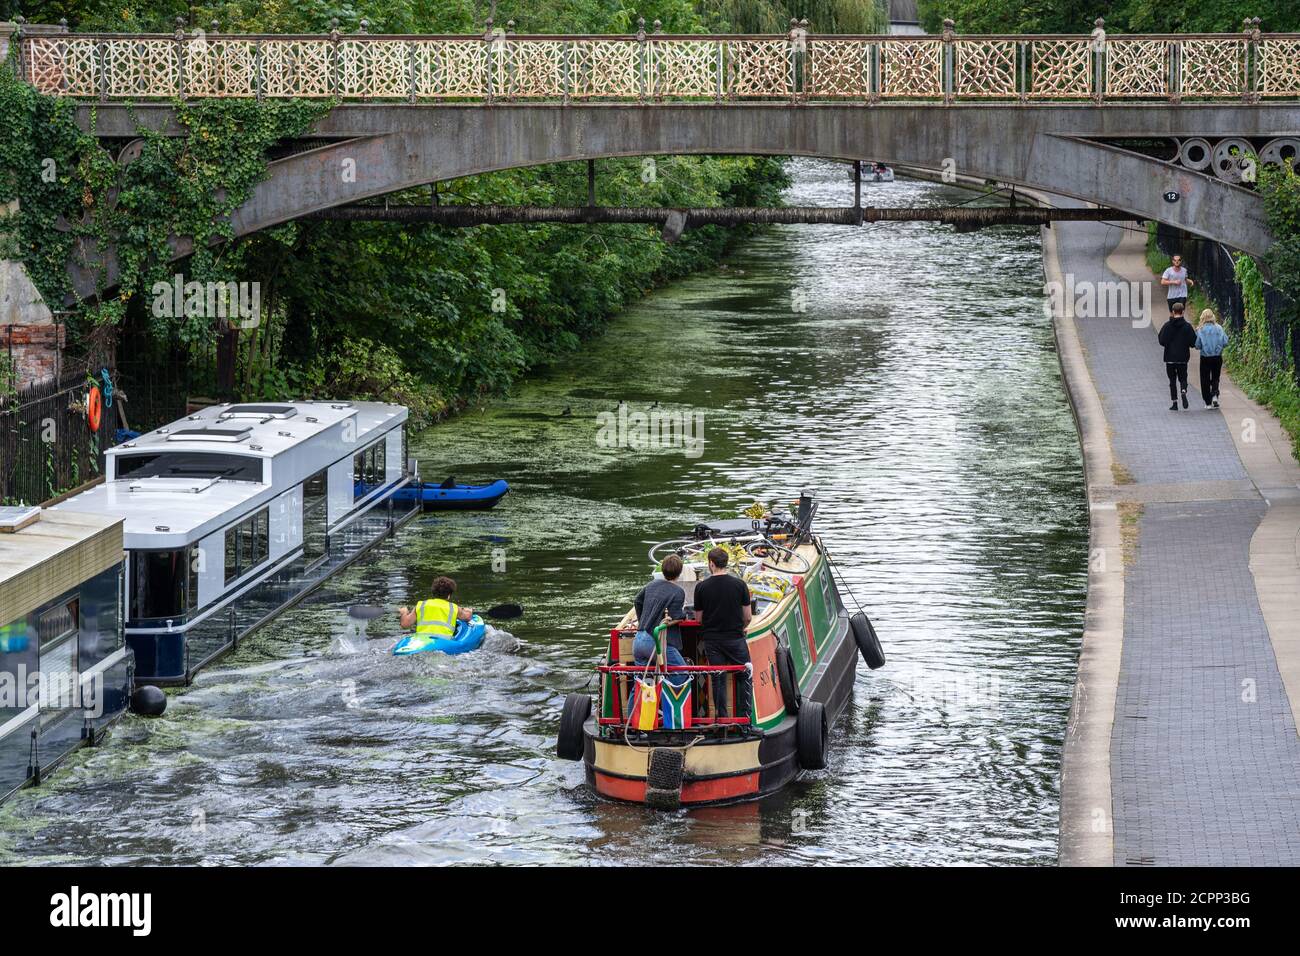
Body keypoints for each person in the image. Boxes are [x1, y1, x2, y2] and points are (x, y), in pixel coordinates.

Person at [692, 546, 753, 722]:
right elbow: (747, 616)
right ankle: (744, 719)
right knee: (744, 675)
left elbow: (698, 619)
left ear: (711, 564)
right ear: (726, 563)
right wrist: (740, 627)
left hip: (712, 641)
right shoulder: (740, 585)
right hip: (735, 638)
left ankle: (722, 719)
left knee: (717, 679)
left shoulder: (701, 587)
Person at [633, 554, 689, 686]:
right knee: (682, 675)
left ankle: (635, 707)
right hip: (655, 642)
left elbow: (637, 601)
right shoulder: (678, 591)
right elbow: (676, 615)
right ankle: (665, 702)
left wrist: (643, 622)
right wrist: (684, 614)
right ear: (679, 572)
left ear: (662, 570)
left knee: (641, 683)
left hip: (639, 640)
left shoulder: (651, 584)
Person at [398, 576, 474, 637]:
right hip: (444, 642)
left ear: (433, 592)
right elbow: (467, 617)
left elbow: (405, 624)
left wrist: (404, 612)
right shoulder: (454, 608)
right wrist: (469, 611)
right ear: (449, 595)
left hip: (422, 640)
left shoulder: (421, 604)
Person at [1157, 301, 1198, 411]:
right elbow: (1193, 342)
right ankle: (1183, 390)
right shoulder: (1187, 327)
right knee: (1183, 378)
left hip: (1169, 358)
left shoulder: (1167, 326)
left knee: (1172, 380)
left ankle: (1174, 403)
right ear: (1183, 312)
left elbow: (1161, 340)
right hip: (1182, 358)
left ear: (1173, 312)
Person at [1194, 308, 1229, 408]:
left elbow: (1197, 345)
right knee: (1215, 377)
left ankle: (1207, 402)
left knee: (1204, 379)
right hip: (1217, 357)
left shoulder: (1200, 329)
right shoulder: (1219, 328)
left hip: (1205, 357)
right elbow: (1225, 342)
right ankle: (1214, 395)